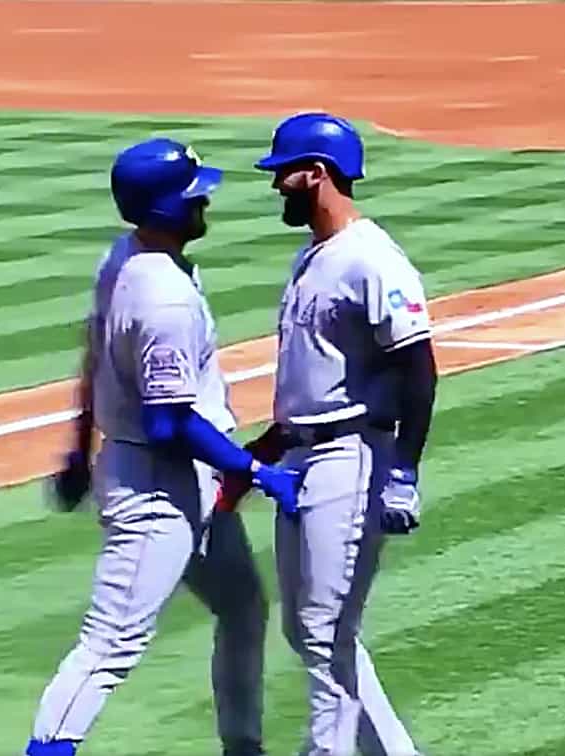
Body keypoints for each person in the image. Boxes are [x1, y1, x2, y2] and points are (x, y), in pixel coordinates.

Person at [25, 137, 301, 756]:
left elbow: (93, 358)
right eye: (193, 194)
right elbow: (170, 422)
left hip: (177, 477)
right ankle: (48, 747)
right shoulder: (163, 298)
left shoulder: (125, 258)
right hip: (157, 491)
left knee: (242, 607)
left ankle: (243, 746)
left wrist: (77, 447)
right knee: (111, 643)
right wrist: (256, 470)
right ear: (163, 209)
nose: (204, 201)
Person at [218, 112, 438, 755]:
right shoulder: (313, 258)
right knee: (314, 632)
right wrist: (261, 452)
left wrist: (404, 472)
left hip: (352, 459)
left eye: (283, 173)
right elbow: (315, 382)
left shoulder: (372, 260)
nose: (275, 185)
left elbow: (418, 369)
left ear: (315, 173)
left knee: (323, 631)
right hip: (303, 457)